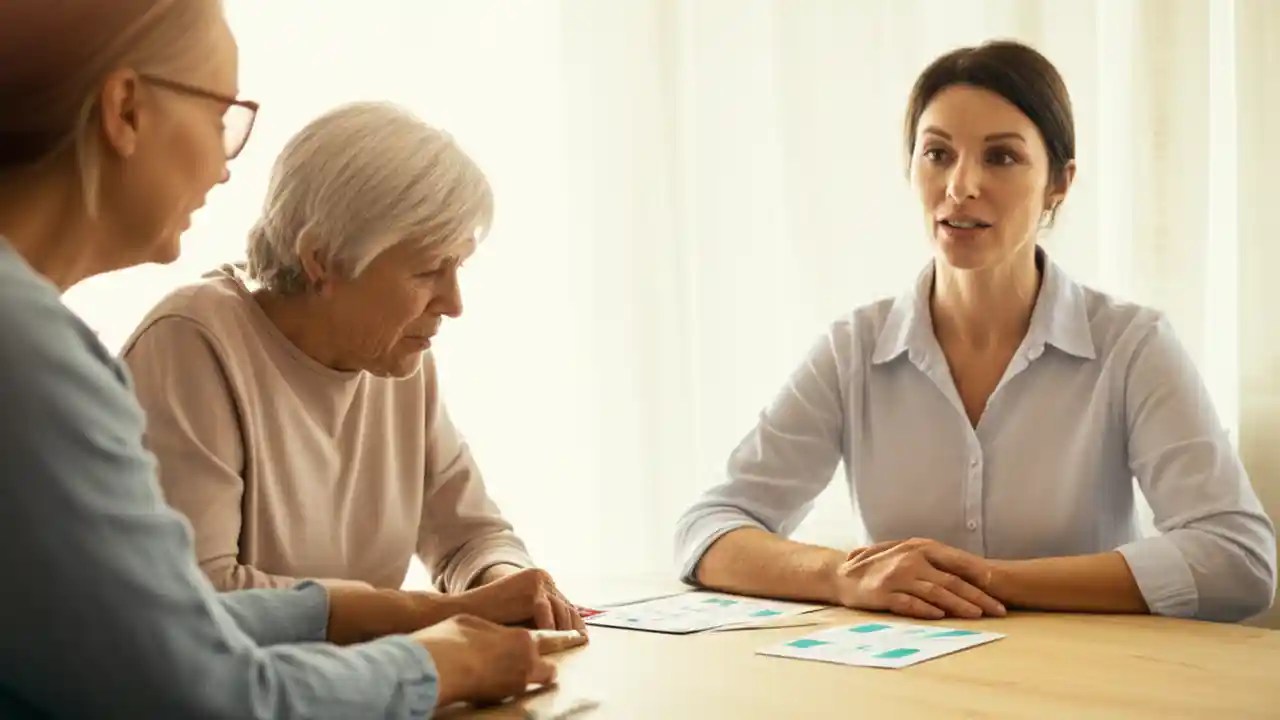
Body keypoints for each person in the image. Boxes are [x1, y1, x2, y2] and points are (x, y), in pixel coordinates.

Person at [0, 2, 582, 718]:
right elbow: (201, 688)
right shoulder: (37, 357)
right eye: (222, 118)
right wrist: (429, 660)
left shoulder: (33, 338)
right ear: (124, 110)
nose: (222, 167)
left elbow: (162, 630)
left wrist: (401, 615)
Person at [675, 39, 1276, 623]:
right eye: (937, 153)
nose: (960, 185)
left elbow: (1239, 561)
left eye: (1001, 157)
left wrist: (985, 580)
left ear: (1058, 184)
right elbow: (710, 529)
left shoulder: (1132, 346)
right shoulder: (852, 348)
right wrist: (846, 575)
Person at [119, 100, 585, 634]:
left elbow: (471, 538)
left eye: (458, 267)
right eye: (430, 269)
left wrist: (510, 583)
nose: (454, 303)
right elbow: (201, 599)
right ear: (322, 259)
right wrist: (442, 612)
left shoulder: (396, 356)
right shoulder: (194, 341)